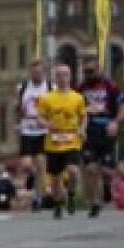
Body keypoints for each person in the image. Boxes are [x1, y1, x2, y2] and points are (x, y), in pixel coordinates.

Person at [74, 56, 124, 218]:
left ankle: (107, 188)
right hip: (89, 132)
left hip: (106, 131)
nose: (89, 75)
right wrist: (78, 127)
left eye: (91, 71)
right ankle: (95, 202)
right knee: (90, 169)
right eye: (85, 72)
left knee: (107, 171)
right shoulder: (80, 88)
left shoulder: (110, 86)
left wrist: (116, 122)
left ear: (100, 70)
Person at [36, 63, 85, 220]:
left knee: (73, 172)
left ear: (70, 77)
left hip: (72, 142)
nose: (63, 78)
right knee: (56, 178)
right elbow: (39, 118)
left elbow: (84, 116)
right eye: (60, 75)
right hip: (54, 143)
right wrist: (46, 124)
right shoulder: (47, 98)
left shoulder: (77, 97)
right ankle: (58, 204)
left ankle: (70, 194)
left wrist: (82, 129)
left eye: (65, 75)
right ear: (55, 77)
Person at [13, 59, 52, 212]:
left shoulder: (49, 87)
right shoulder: (22, 87)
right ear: (30, 72)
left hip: (42, 131)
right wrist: (17, 123)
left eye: (40, 72)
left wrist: (50, 123)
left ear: (44, 72)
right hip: (27, 130)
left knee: (42, 166)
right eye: (34, 72)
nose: (37, 74)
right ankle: (31, 181)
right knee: (27, 165)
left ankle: (39, 198)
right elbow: (16, 107)